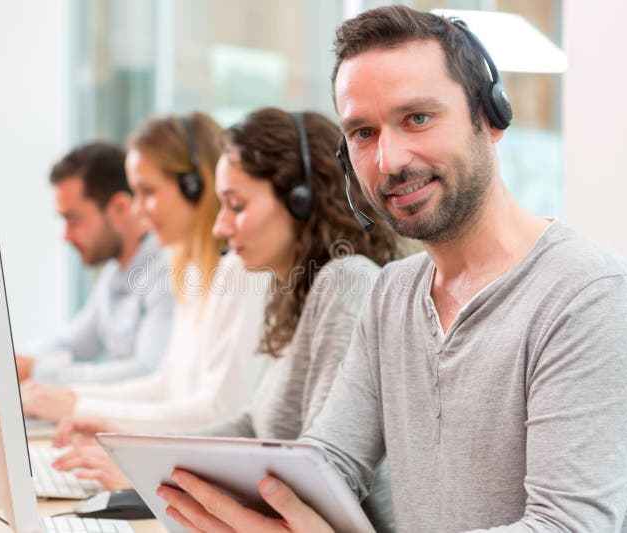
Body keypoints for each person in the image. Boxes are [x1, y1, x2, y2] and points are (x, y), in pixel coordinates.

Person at [157, 7, 627, 533]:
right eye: (363, 132)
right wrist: (194, 486)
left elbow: (566, 527)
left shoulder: (593, 299)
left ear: (490, 116)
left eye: (417, 118)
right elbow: (329, 460)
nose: (390, 160)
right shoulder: (392, 294)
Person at [49, 108, 410, 530]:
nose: (220, 227)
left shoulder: (346, 282)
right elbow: (251, 425)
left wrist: (156, 472)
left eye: (236, 206)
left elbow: (318, 474)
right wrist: (143, 458)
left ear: (301, 199)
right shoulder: (298, 294)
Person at [21, 112, 273, 433]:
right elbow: (167, 385)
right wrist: (73, 399)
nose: (137, 209)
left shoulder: (241, 272)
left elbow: (217, 412)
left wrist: (77, 407)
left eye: (148, 192)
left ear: (194, 186)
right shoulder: (189, 271)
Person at [16, 142, 173, 385]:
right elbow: (71, 344)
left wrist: (37, 371)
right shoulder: (113, 276)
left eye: (74, 220)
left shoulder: (167, 272)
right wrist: (12, 363)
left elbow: (149, 371)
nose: (66, 236)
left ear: (121, 207)